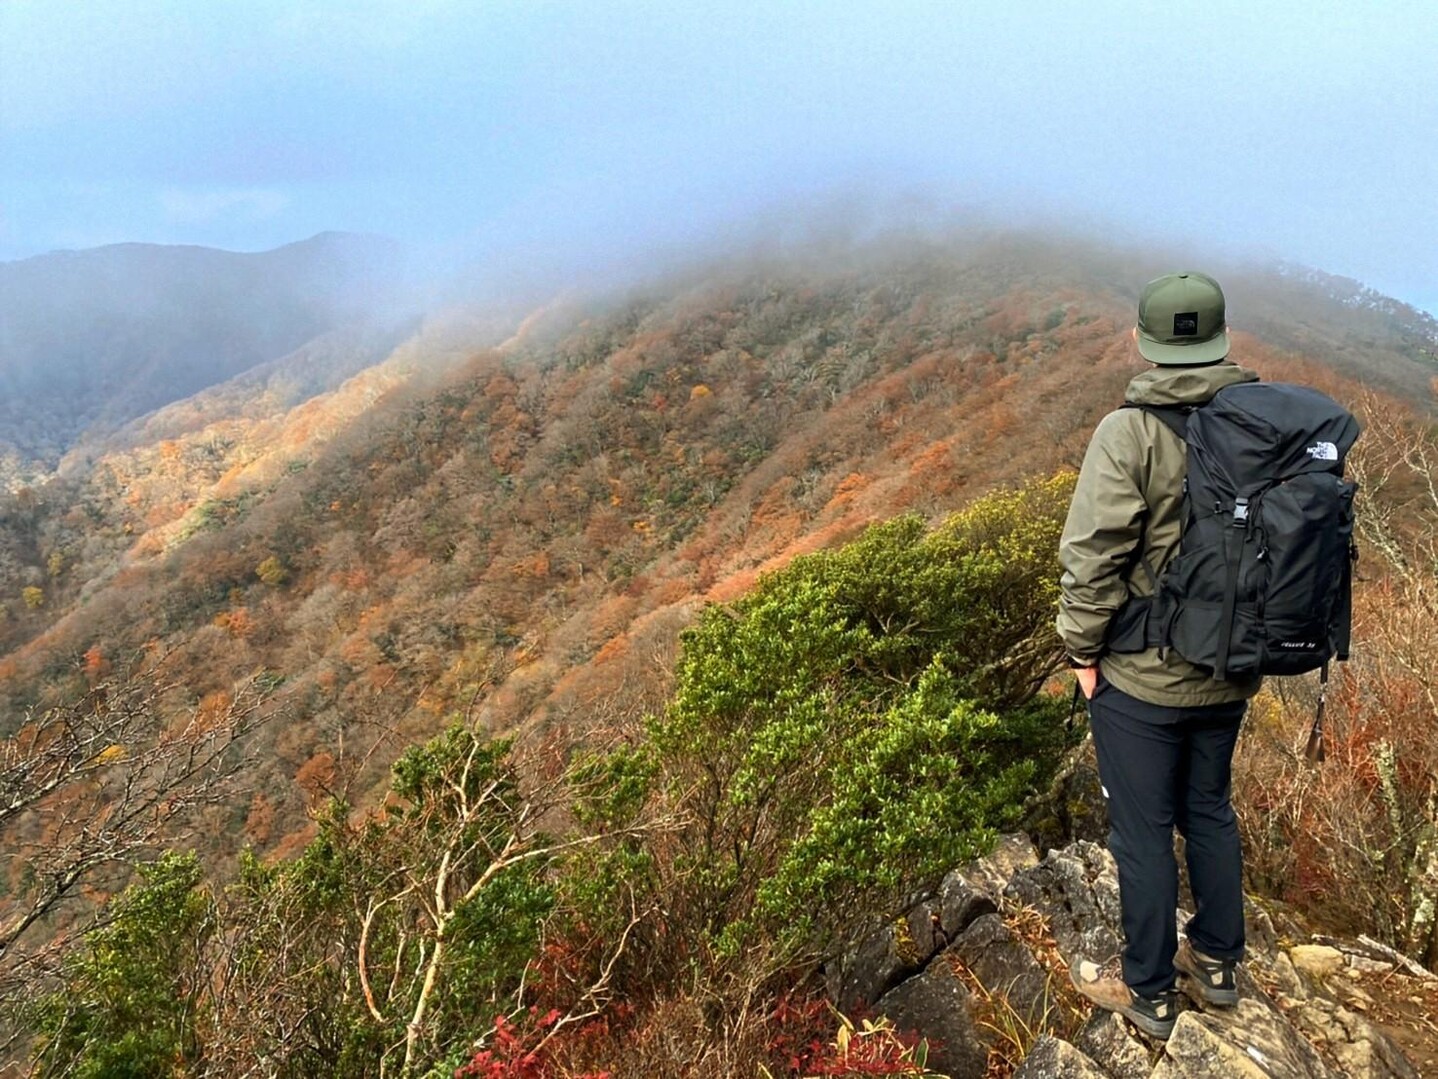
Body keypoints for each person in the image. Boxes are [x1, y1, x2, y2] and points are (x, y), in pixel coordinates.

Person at [1058, 271, 1260, 1038]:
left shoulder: (1130, 432)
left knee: (1141, 831)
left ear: (1145, 342)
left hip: (1140, 679)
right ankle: (1216, 965)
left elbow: (1092, 556)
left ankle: (1147, 990)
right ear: (1220, 338)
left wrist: (1082, 650)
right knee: (1209, 810)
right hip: (1232, 666)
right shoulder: (1258, 425)